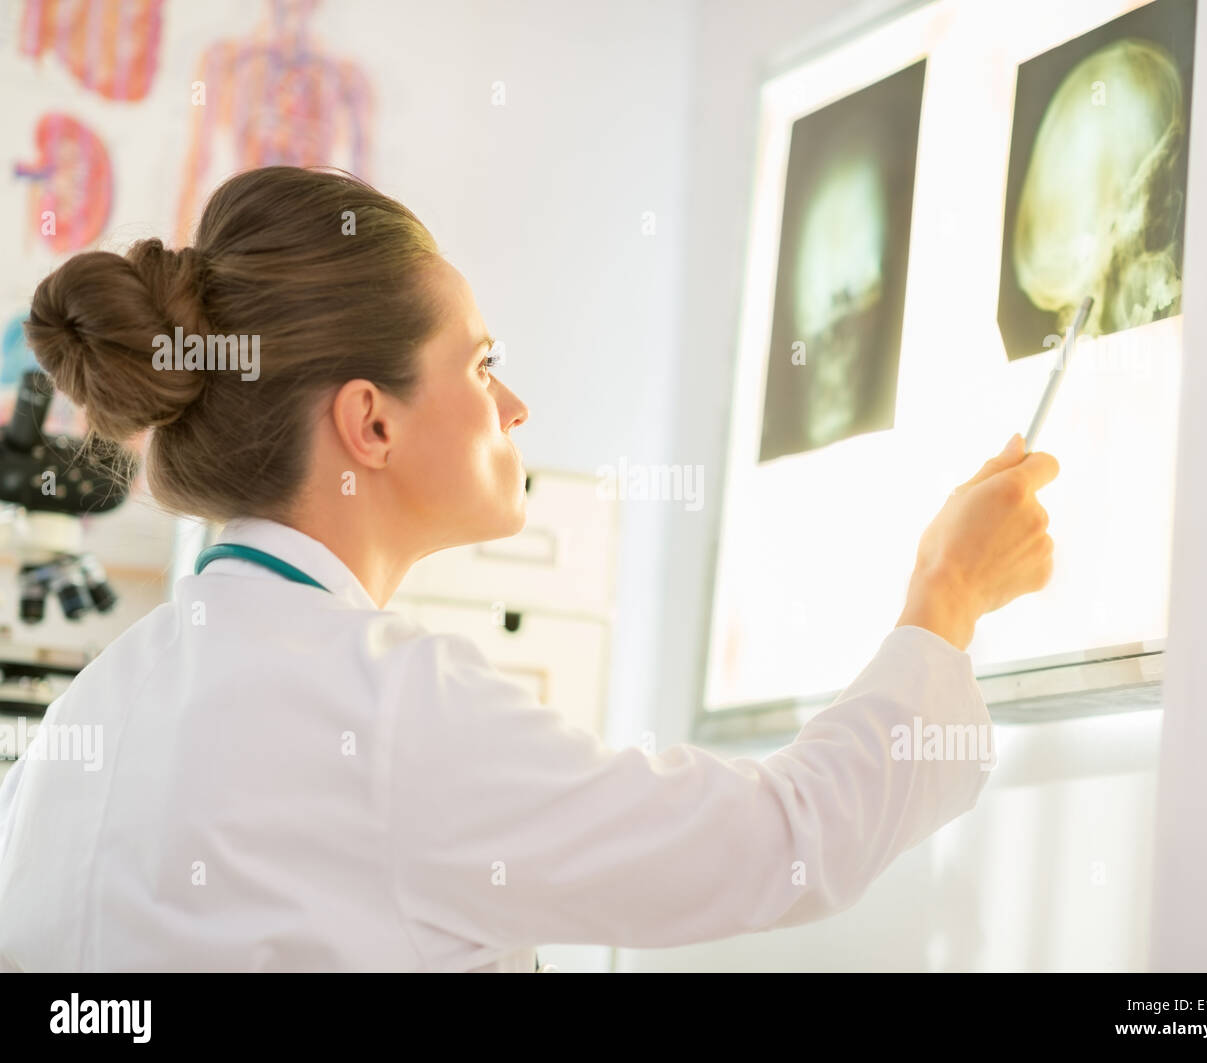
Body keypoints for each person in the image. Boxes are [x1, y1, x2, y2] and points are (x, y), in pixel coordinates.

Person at [0, 165, 1058, 972]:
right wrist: (945, 599)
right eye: (481, 363)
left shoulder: (83, 726)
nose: (514, 407)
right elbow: (776, 844)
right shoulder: (380, 708)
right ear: (369, 419)